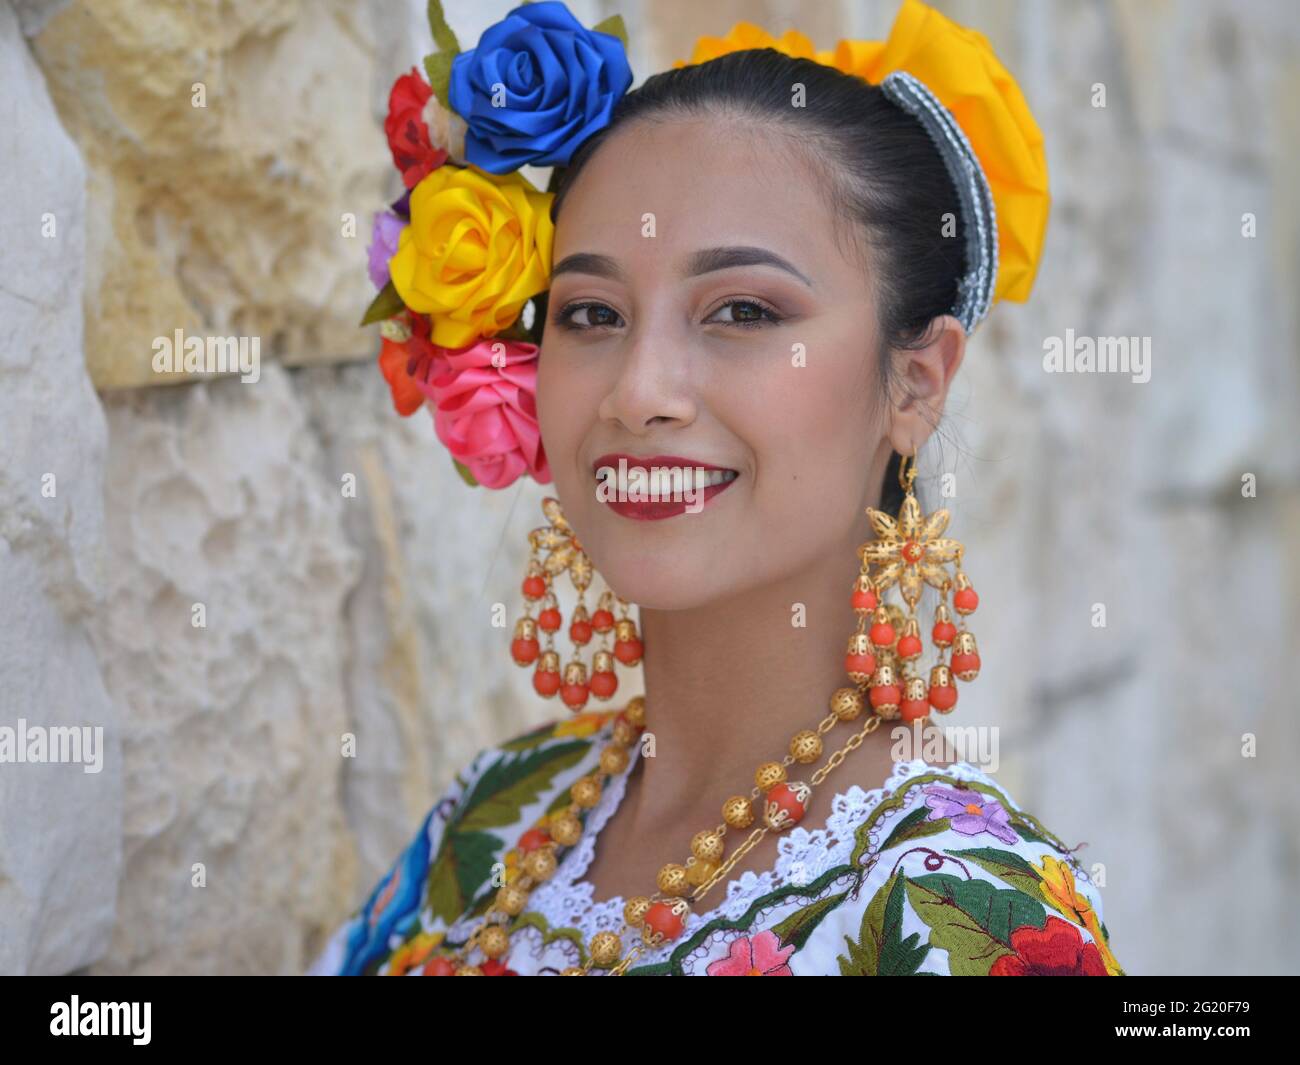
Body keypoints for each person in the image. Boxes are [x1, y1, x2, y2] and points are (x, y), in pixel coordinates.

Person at [309, 0, 1122, 976]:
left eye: (742, 309)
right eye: (591, 312)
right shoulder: (499, 810)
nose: (640, 391)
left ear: (915, 381)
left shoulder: (965, 918)